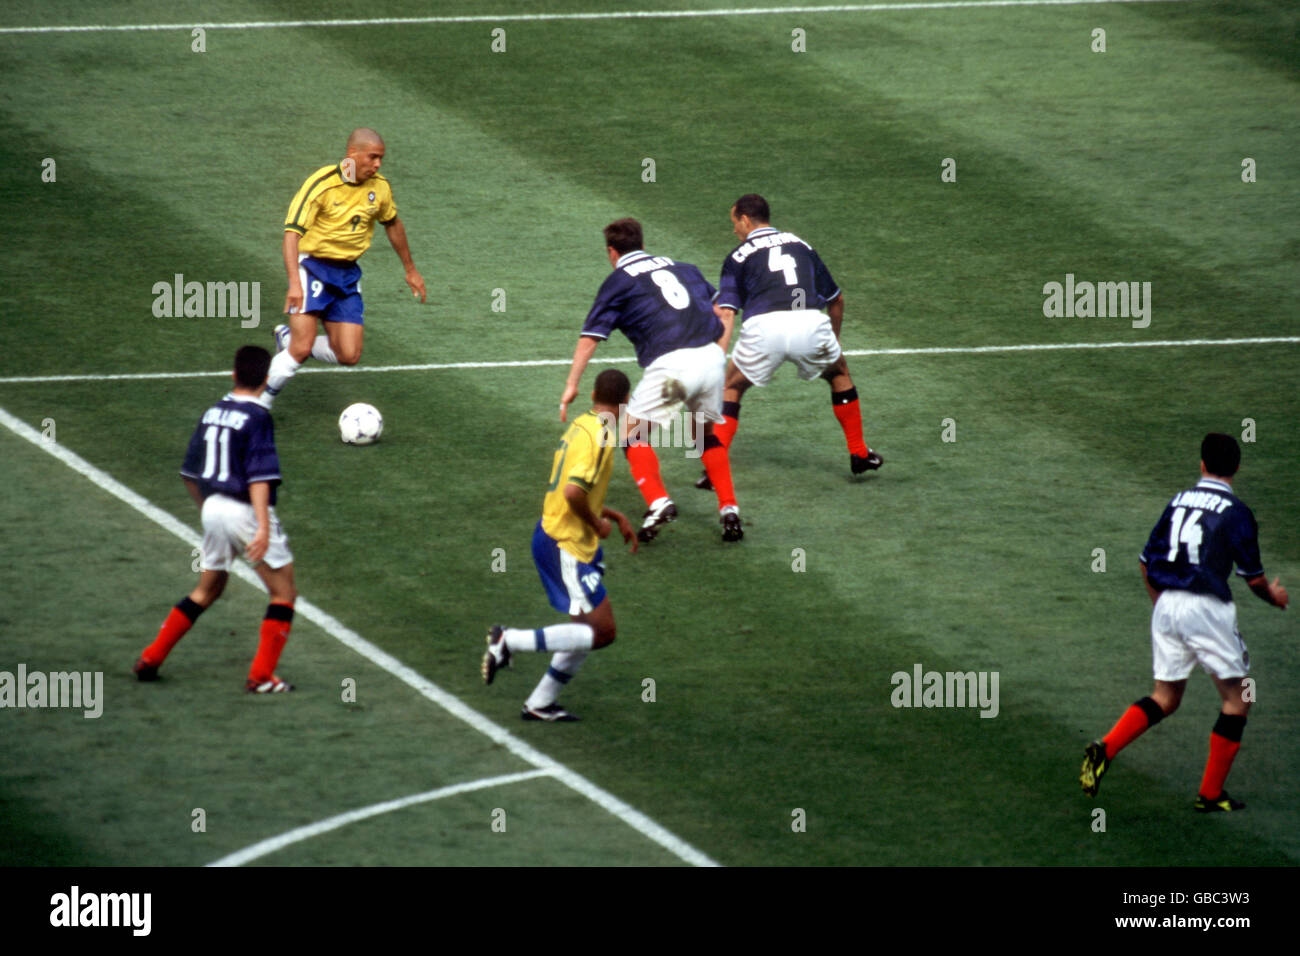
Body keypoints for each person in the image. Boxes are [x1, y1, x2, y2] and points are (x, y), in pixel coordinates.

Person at [1080, 433, 1288, 811]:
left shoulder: (1177, 501)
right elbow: (1253, 578)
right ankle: (1210, 795)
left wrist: (1161, 605)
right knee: (1238, 699)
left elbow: (1146, 561)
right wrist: (1275, 598)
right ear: (1237, 468)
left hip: (1168, 605)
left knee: (1166, 697)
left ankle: (1104, 748)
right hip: (1206, 609)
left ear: (1202, 465)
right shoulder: (1236, 511)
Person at [558, 218, 743, 543]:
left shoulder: (617, 281)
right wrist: (718, 352)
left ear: (612, 252)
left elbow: (590, 338)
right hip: (712, 360)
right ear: (642, 243)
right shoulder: (684, 268)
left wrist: (572, 384)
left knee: (631, 435)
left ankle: (659, 502)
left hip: (672, 366)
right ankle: (729, 509)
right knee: (703, 437)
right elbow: (725, 311)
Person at [134, 346, 299, 692]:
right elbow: (258, 478)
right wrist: (263, 528)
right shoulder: (258, 417)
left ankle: (151, 657)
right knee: (283, 593)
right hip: (245, 510)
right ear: (266, 379)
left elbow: (187, 473)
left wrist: (207, 513)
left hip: (212, 508)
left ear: (234, 375)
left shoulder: (213, 412)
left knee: (207, 589)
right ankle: (261, 676)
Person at [482, 369, 639, 721]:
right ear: (625, 401)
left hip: (557, 535)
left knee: (584, 631)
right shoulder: (601, 435)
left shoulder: (582, 425)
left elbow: (574, 485)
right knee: (603, 631)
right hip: (564, 544)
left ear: (594, 394)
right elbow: (572, 493)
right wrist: (597, 522)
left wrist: (610, 513)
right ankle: (509, 641)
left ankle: (539, 703)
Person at [705, 193, 882, 481]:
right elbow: (836, 300)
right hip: (809, 322)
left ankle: (713, 467)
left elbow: (727, 313)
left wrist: (716, 356)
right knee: (839, 374)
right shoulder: (801, 245)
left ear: (746, 220)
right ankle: (859, 453)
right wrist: (833, 345)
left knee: (731, 387)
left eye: (734, 222)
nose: (733, 229)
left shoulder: (736, 257)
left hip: (764, 328)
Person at [263, 127, 427, 407]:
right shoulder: (322, 185)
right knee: (300, 350)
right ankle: (257, 404)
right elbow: (292, 235)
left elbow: (393, 224)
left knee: (349, 355)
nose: (377, 164)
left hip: (348, 274)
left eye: (381, 159)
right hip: (312, 268)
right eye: (373, 157)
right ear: (353, 154)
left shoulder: (380, 187)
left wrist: (410, 269)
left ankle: (288, 337)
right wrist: (294, 282)